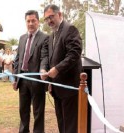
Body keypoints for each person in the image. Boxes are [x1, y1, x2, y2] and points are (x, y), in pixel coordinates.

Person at [42, 4, 82, 133]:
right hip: (57, 88)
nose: (49, 21)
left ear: (59, 14)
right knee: (61, 124)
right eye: (46, 19)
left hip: (69, 87)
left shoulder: (70, 29)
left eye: (51, 17)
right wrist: (46, 74)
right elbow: (50, 58)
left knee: (70, 126)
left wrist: (57, 69)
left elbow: (74, 54)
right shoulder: (52, 35)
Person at [13, 10, 48, 133]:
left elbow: (44, 57)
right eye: (28, 21)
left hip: (36, 80)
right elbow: (17, 59)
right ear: (25, 22)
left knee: (38, 111)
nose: (31, 23)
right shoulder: (22, 38)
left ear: (38, 22)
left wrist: (43, 69)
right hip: (22, 79)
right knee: (23, 110)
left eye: (33, 21)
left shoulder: (45, 37)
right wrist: (15, 78)